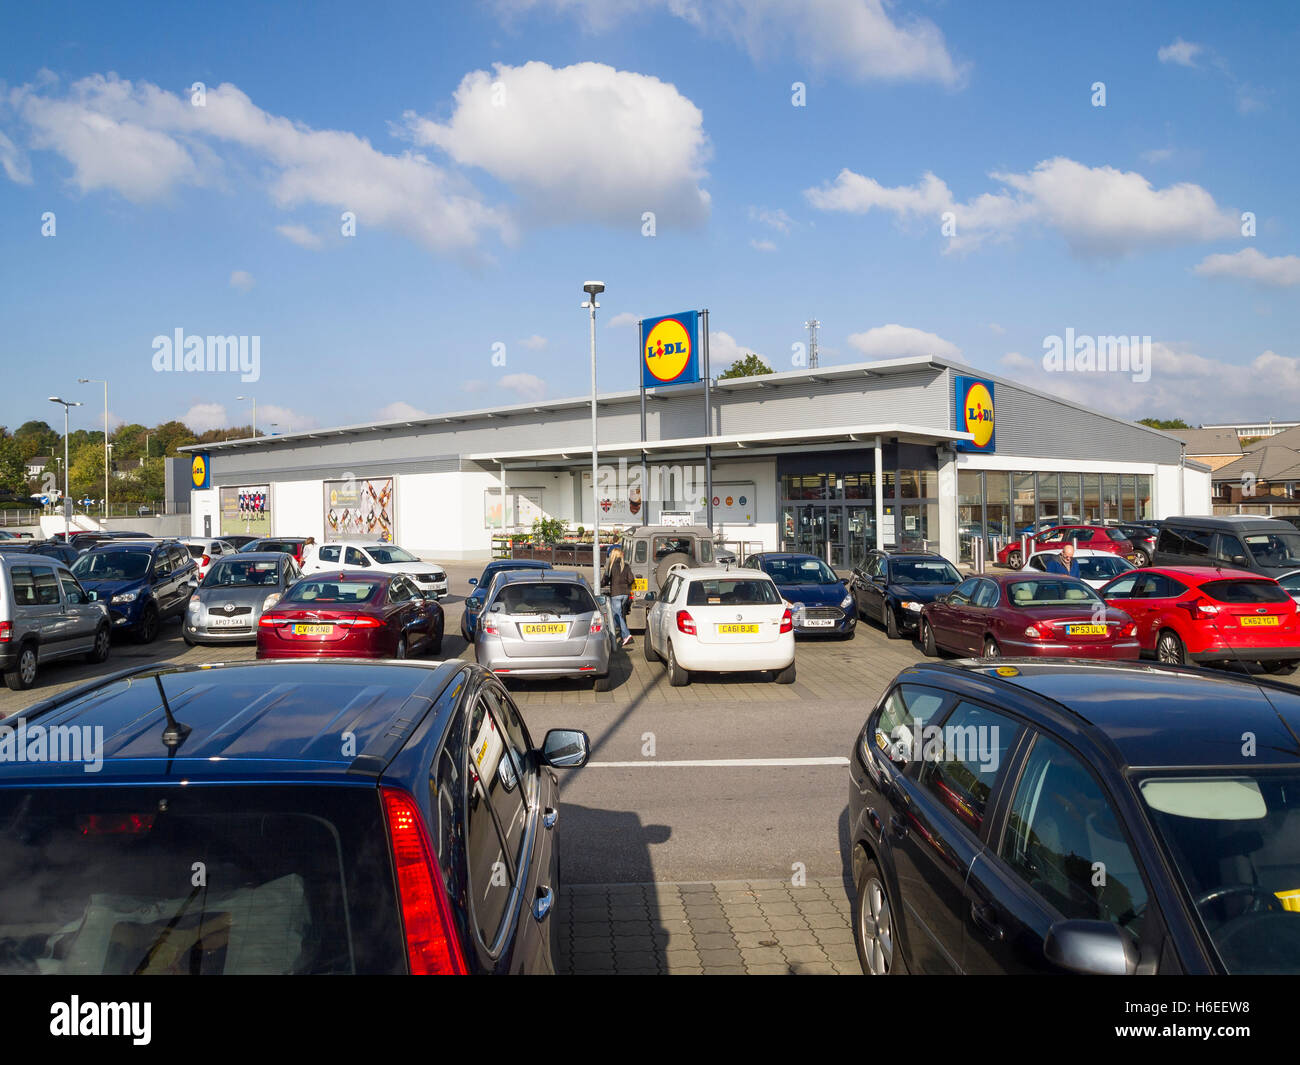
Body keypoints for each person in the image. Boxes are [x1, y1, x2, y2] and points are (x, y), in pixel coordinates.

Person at [603, 545, 635, 648]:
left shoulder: (611, 566)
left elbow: (605, 580)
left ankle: (626, 635)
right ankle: (609, 634)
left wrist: (601, 585)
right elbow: (631, 579)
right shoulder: (625, 565)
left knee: (617, 615)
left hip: (616, 594)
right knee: (614, 615)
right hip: (625, 594)